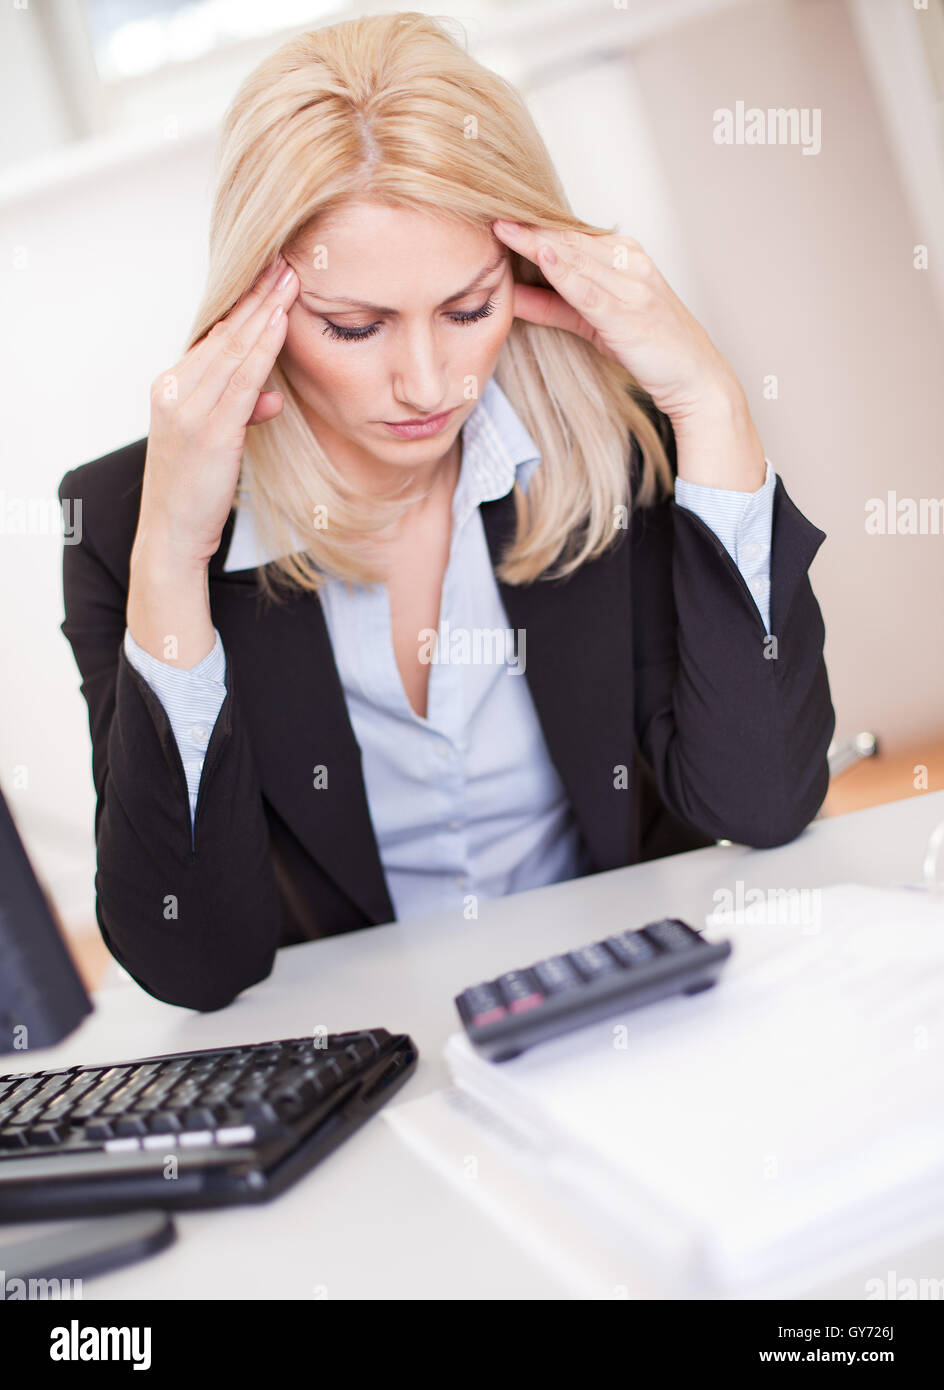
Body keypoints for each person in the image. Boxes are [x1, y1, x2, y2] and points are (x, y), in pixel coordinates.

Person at [58, 12, 835, 1012]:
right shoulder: (127, 519)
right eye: (353, 324)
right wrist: (174, 548)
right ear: (256, 307)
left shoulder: (610, 443)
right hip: (362, 1062)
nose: (426, 382)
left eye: (467, 310)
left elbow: (760, 802)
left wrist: (706, 399)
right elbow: (192, 958)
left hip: (623, 1008)